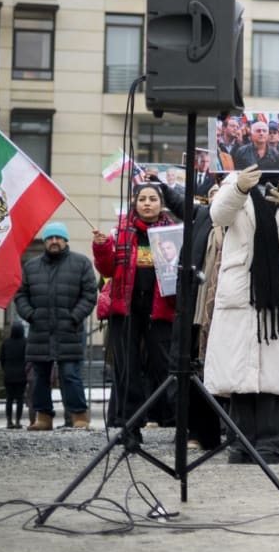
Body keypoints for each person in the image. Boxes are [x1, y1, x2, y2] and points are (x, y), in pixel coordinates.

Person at [204, 165, 279, 464]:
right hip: (241, 289)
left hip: (276, 295)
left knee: (275, 373)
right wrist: (239, 187)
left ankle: (272, 445)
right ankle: (240, 444)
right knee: (239, 371)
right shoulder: (233, 183)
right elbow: (219, 217)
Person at [93, 183, 180, 430]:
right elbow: (108, 269)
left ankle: (173, 418)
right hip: (127, 309)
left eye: (153, 198)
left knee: (165, 366)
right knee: (127, 367)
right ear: (135, 202)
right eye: (142, 199)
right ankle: (129, 422)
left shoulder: (173, 231)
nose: (147, 203)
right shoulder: (120, 231)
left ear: (161, 203)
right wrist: (101, 247)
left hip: (161, 310)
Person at [12, 220, 98, 430]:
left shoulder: (81, 263)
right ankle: (43, 418)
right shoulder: (31, 266)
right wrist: (30, 315)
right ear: (44, 241)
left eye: (58, 237)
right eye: (50, 238)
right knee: (40, 377)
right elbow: (20, 295)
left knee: (70, 375)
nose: (54, 241)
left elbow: (89, 294)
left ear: (65, 240)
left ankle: (79, 416)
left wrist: (74, 317)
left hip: (70, 331)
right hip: (39, 332)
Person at [0, 321, 27, 429]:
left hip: (9, 374)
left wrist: (5, 369)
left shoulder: (6, 342)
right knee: (20, 399)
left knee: (9, 399)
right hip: (21, 374)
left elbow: (2, 358)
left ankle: (9, 421)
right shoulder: (25, 342)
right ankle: (18, 421)